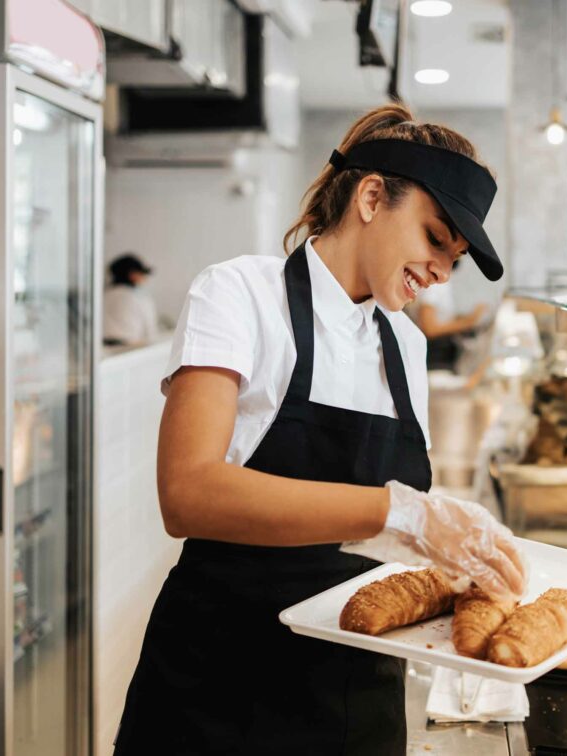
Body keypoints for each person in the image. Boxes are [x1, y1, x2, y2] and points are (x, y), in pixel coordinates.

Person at [113, 105, 526, 756]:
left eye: (456, 258)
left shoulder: (406, 346)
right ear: (371, 198)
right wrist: (403, 513)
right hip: (220, 685)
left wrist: (449, 550)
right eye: (435, 238)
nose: (443, 272)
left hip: (358, 696)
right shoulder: (239, 294)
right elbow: (186, 493)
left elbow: (384, 540)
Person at [412, 258, 489, 370]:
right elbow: (429, 328)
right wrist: (468, 322)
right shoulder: (435, 286)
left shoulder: (443, 285)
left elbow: (441, 318)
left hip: (442, 352)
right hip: (434, 354)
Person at [102, 253, 160, 346]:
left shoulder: (104, 296)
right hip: (132, 348)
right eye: (142, 273)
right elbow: (150, 332)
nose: (144, 278)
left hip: (105, 349)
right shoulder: (139, 297)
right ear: (132, 275)